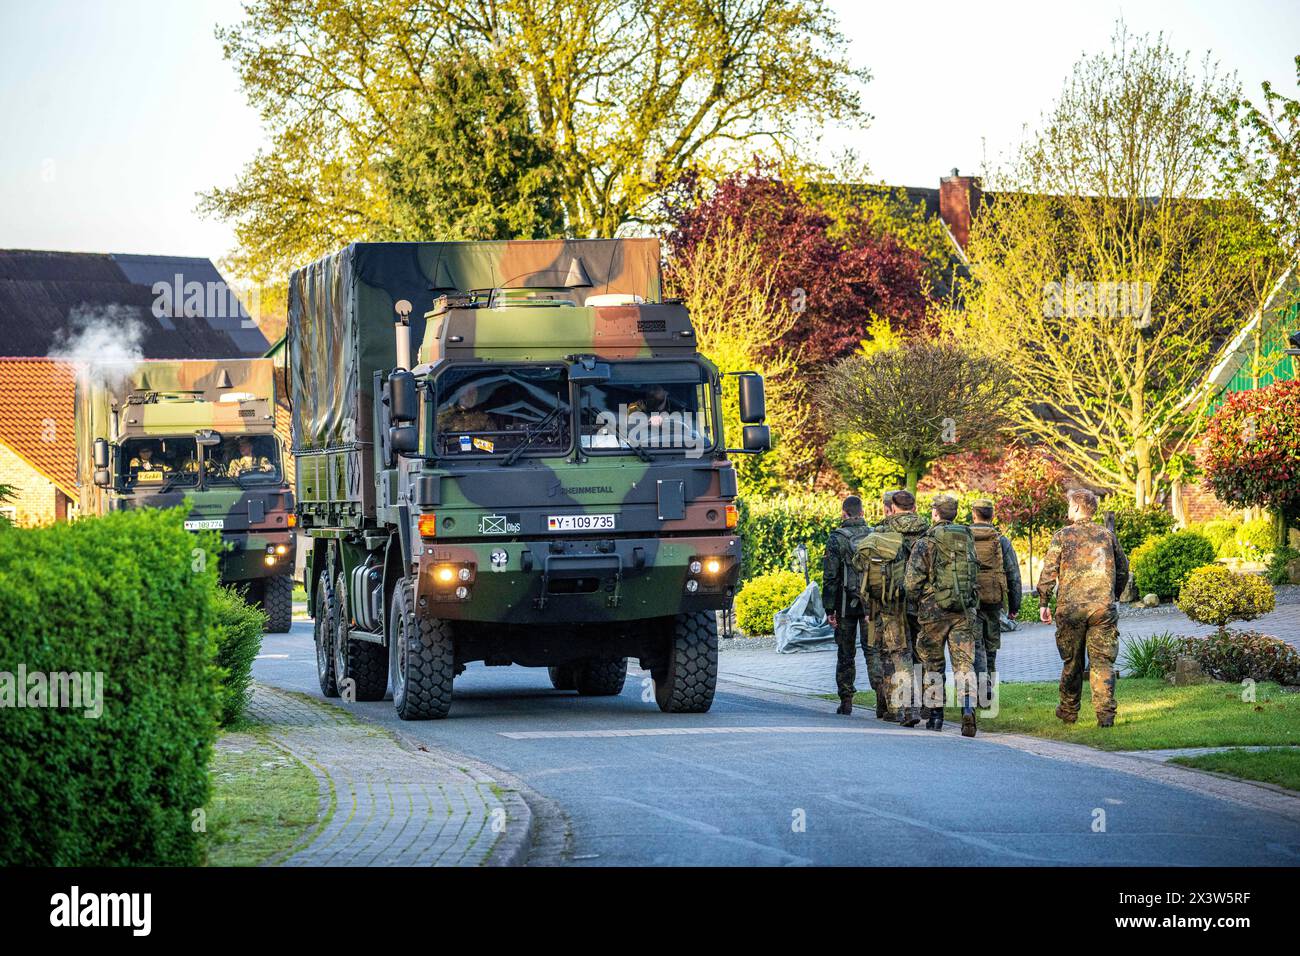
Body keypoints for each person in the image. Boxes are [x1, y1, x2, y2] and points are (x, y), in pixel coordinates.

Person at [1037, 489, 1129, 728]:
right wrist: (1114, 594)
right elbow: (1123, 569)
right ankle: (1105, 714)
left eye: (1069, 505)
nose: (1068, 510)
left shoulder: (1062, 536)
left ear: (1077, 507)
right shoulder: (1106, 535)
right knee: (1102, 663)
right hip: (1102, 608)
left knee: (1072, 662)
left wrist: (1044, 602)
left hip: (1071, 609)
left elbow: (1048, 571)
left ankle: (1068, 711)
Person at [905, 493, 980, 736]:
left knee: (933, 663)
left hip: (933, 611)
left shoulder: (926, 541)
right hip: (963, 609)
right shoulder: (967, 537)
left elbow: (911, 583)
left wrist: (918, 600)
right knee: (963, 662)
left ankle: (936, 716)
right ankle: (968, 709)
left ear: (935, 513)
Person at [861, 488, 929, 725]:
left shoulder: (881, 531)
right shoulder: (929, 530)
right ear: (915, 507)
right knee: (926, 653)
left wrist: (869, 606)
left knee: (897, 653)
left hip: (891, 601)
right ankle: (929, 707)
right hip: (923, 600)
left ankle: (901, 708)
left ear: (892, 507)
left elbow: (868, 572)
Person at [822, 495, 874, 716]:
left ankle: (846, 701)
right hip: (871, 604)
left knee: (846, 653)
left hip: (845, 606)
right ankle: (883, 700)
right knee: (873, 651)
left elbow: (830, 577)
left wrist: (829, 609)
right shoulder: (875, 535)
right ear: (862, 513)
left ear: (844, 513)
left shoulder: (837, 539)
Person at [967, 499, 1022, 691]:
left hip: (970, 600)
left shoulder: (964, 537)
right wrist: (1014, 606)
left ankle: (978, 689)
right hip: (993, 599)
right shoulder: (1001, 540)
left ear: (974, 514)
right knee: (991, 647)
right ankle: (988, 687)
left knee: (975, 646)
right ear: (992, 515)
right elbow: (1013, 574)